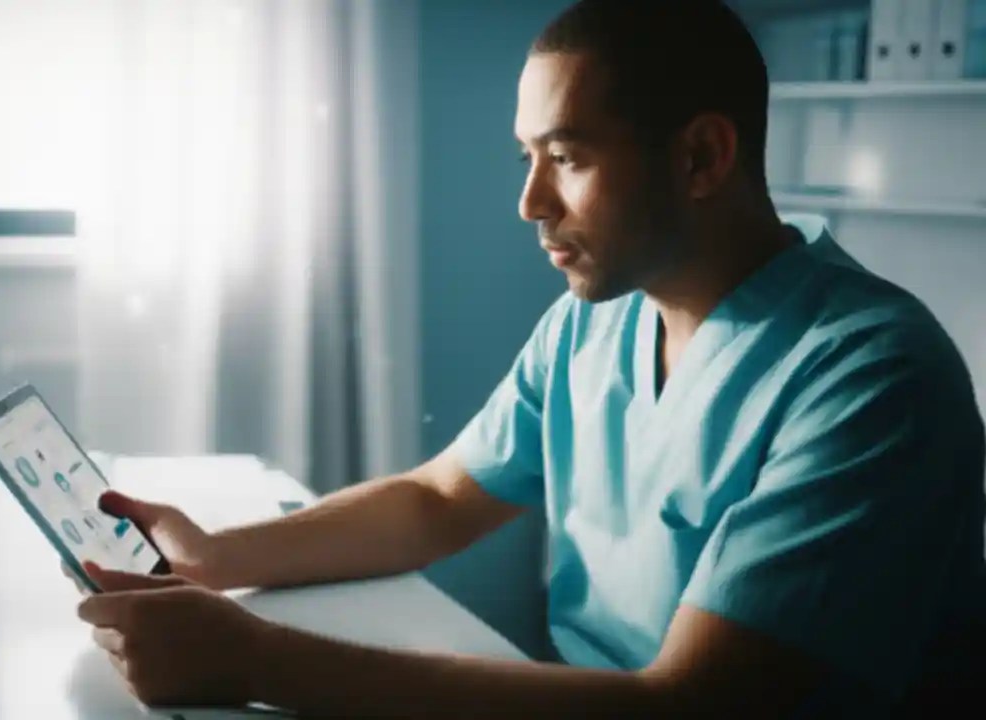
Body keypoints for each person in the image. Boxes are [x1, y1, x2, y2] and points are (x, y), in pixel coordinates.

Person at [74, 0, 986, 715]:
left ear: (702, 157)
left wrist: (255, 660)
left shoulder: (871, 377)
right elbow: (439, 500)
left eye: (567, 157)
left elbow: (693, 707)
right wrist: (214, 557)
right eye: (528, 158)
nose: (531, 203)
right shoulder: (592, 324)